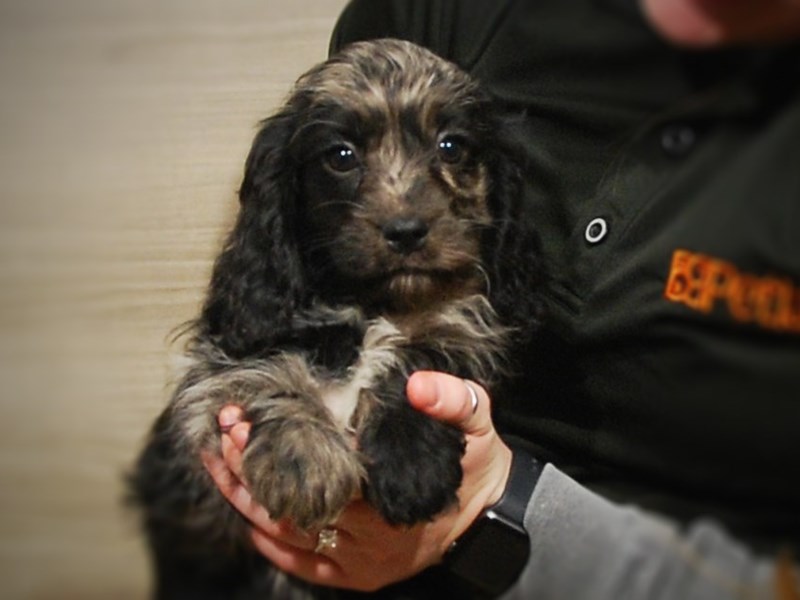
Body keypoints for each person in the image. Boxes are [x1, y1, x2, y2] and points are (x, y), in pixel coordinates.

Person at [202, 0, 800, 597]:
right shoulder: (440, 14)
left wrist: (493, 515)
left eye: (451, 152)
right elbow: (276, 301)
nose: (404, 209)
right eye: (344, 159)